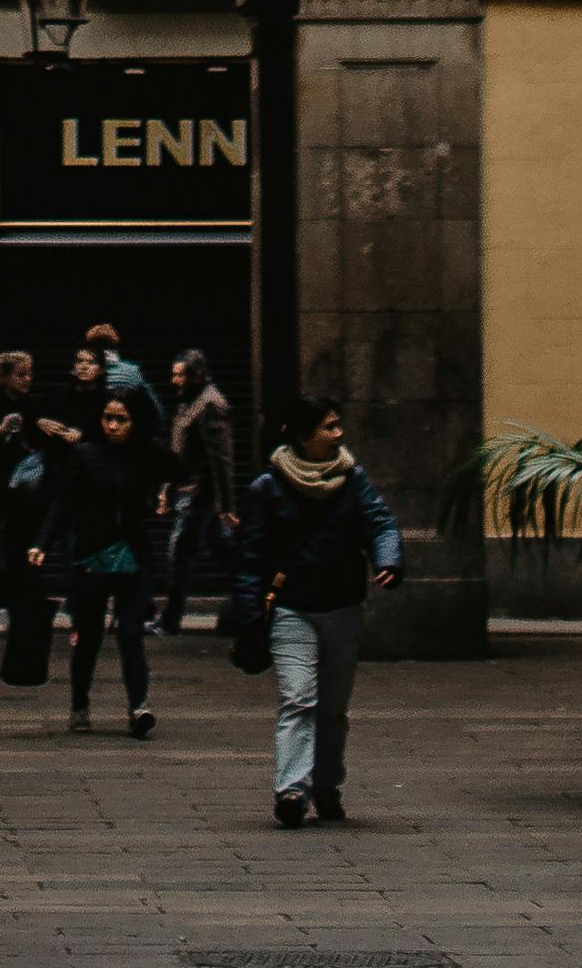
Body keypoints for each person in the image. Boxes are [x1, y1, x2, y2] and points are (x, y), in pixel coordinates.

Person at [232, 398, 402, 828]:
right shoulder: (267, 488)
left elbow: (380, 521)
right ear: (306, 436)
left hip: (342, 607)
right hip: (292, 609)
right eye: (329, 427)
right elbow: (250, 558)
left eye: (338, 425)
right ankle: (291, 789)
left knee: (332, 708)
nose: (339, 433)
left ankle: (326, 785)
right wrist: (250, 619)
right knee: (297, 697)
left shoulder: (352, 479)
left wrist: (389, 560)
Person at [66, 377, 168, 735]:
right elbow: (63, 503)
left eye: (121, 419)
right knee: (90, 635)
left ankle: (139, 707)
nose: (112, 425)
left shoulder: (144, 454)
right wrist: (41, 544)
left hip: (134, 558)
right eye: (108, 417)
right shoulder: (86, 455)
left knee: (131, 634)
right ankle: (80, 703)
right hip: (93, 558)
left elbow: (178, 466)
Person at [0, 348, 62, 686]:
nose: (27, 381)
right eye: (21, 375)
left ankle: (25, 602)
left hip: (32, 498)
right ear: (5, 376)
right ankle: (7, 601)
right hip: (2, 497)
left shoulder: (33, 409)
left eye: (29, 374)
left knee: (29, 551)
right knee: (7, 550)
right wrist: (1, 433)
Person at [160, 342, 241, 608]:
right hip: (189, 491)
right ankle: (252, 595)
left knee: (178, 553)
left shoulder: (210, 405)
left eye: (179, 374)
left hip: (199, 494)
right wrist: (167, 487)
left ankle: (170, 619)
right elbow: (179, 451)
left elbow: (221, 459)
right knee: (225, 551)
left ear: (196, 375)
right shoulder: (189, 401)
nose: (173, 380)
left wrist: (226, 505)